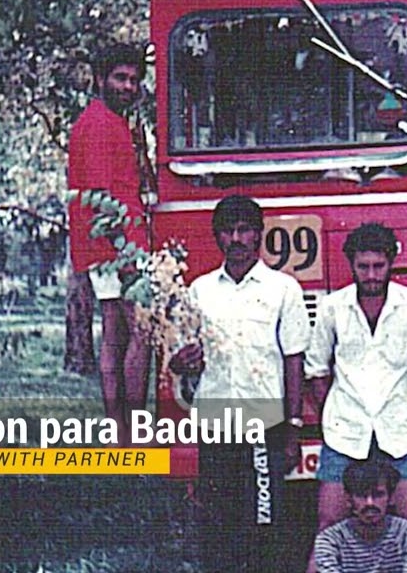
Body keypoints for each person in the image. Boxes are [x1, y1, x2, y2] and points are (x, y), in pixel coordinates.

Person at [166, 195, 310, 573]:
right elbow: (179, 357)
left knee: (265, 520)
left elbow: (295, 361)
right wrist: (181, 362)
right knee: (218, 522)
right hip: (215, 420)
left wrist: (293, 430)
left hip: (265, 422)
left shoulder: (283, 289)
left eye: (245, 230)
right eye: (228, 231)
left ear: (260, 235)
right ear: (217, 238)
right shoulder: (199, 291)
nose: (236, 239)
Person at [306, 222, 407, 531]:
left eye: (378, 266)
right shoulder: (332, 307)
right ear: (352, 265)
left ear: (391, 263)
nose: (371, 275)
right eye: (363, 267)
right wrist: (329, 415)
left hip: (401, 431)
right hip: (344, 432)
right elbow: (316, 369)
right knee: (329, 521)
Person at [66, 43, 150, 442]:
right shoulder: (99, 124)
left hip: (110, 246)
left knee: (116, 335)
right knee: (142, 333)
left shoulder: (114, 121)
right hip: (115, 248)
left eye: (134, 80)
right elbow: (101, 199)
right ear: (100, 80)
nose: (128, 86)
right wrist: (128, 256)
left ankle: (120, 433)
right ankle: (132, 431)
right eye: (120, 78)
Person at [311, 458, 407, 573]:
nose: (370, 503)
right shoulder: (329, 539)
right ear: (348, 499)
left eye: (378, 495)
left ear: (391, 497)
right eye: (361, 495)